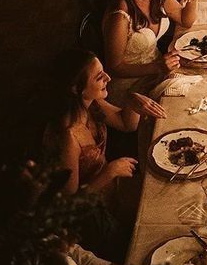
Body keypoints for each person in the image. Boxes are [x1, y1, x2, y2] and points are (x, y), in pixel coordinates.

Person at [44, 48, 165, 197]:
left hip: (112, 185)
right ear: (76, 88)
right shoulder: (68, 136)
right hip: (94, 207)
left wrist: (131, 101)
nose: (108, 78)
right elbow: (68, 202)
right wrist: (110, 172)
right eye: (99, 77)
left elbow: (127, 125)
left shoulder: (92, 103)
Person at [103, 0, 199, 105]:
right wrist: (158, 67)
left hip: (158, 72)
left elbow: (185, 20)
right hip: (131, 89)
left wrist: (192, 0)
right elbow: (114, 67)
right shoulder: (119, 17)